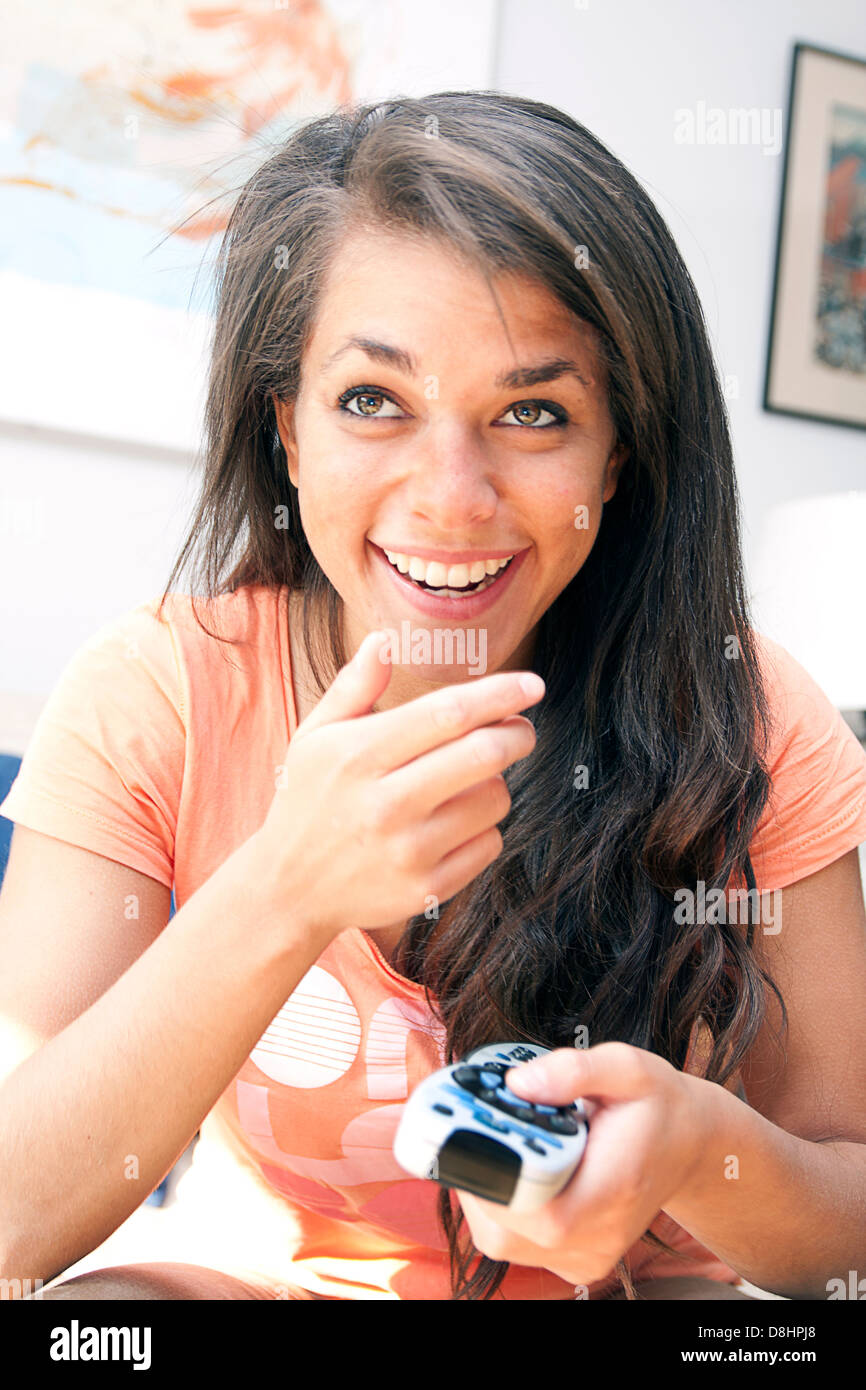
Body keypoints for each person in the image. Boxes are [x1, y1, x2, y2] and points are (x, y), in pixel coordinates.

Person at [2, 91, 866, 1303]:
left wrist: (694, 1149)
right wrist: (284, 886)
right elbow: (8, 1223)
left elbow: (847, 1226)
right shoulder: (154, 698)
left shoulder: (753, 714)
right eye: (372, 400)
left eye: (531, 412)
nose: (451, 496)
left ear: (616, 452)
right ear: (287, 432)